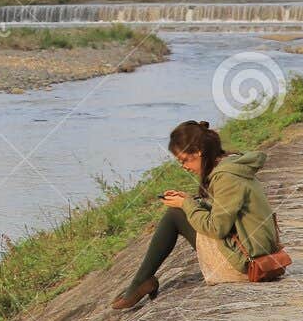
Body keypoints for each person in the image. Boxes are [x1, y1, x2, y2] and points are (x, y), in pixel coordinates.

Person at [112, 120, 284, 310]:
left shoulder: (226, 177)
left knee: (175, 214)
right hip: (256, 255)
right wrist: (191, 201)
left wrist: (186, 204)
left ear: (198, 152)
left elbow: (217, 228)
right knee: (181, 210)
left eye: (184, 160)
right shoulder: (233, 166)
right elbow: (227, 213)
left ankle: (141, 283)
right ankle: (142, 281)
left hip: (248, 266)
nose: (184, 166)